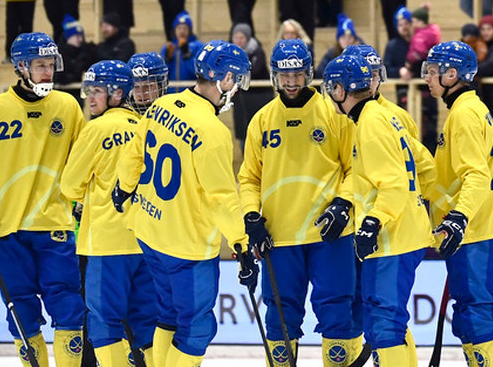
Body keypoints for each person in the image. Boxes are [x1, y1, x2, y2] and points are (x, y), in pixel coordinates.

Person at [112, 40, 255, 367]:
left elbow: (133, 154)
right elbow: (222, 198)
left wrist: (123, 187)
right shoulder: (213, 131)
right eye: (236, 80)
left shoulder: (161, 105)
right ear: (225, 78)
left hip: (149, 233)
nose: (236, 89)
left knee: (168, 316)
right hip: (187, 247)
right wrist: (242, 244)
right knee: (197, 329)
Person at [0, 33, 86, 366]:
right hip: (6, 230)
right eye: (41, 65)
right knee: (21, 315)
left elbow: (86, 162)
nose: (48, 72)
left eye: (51, 65)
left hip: (55, 226)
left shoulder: (68, 106)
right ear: (21, 67)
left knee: (69, 309)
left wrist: (85, 200)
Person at [239, 39, 364, 364]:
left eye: (297, 74)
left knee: (338, 310)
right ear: (275, 75)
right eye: (285, 75)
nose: (291, 81)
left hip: (330, 235)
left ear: (308, 73)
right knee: (280, 316)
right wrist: (251, 217)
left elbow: (357, 168)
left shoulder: (334, 113)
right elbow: (249, 178)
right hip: (280, 236)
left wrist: (344, 204)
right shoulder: (262, 120)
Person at [323, 53, 433, 367]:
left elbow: (394, 184)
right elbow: (425, 165)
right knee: (388, 320)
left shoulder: (371, 123)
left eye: (331, 88)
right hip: (401, 234)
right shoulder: (384, 116)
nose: (330, 96)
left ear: (341, 90)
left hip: (392, 239)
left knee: (384, 323)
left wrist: (372, 223)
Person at [422, 41, 493, 367]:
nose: (427, 78)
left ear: (452, 74)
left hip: (479, 229)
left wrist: (458, 218)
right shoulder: (468, 109)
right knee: (469, 313)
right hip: (478, 229)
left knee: (477, 313)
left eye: (432, 71)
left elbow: (476, 175)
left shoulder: (464, 114)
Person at [59, 61, 155, 366]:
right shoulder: (145, 126)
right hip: (146, 242)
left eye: (97, 91)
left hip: (106, 243)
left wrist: (87, 196)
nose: (89, 97)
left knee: (104, 321)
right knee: (146, 323)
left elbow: (69, 185)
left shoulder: (96, 129)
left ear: (117, 93)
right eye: (88, 90)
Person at [402, 5, 441, 154]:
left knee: (423, 125)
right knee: (430, 122)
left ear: (420, 22)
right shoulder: (432, 33)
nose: (413, 25)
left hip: (421, 80)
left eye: (414, 21)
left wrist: (408, 64)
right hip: (427, 84)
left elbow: (417, 52)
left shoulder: (421, 35)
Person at [230, 23, 272, 149]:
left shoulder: (257, 52)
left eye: (241, 38)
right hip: (241, 101)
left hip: (258, 98)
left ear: (247, 38)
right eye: (236, 37)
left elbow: (255, 71)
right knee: (244, 136)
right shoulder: (230, 55)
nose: (238, 41)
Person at [161, 10, 203, 89]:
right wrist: (167, 59)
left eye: (185, 28)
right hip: (171, 91)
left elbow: (199, 72)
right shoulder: (168, 47)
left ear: (190, 31)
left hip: (190, 90)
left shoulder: (198, 46)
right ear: (174, 30)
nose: (182, 31)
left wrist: (186, 54)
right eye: (179, 28)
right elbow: (162, 75)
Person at [384, 6, 415, 106]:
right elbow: (385, 69)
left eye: (406, 23)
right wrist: (399, 71)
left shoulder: (420, 42)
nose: (404, 27)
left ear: (411, 24)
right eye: (400, 24)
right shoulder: (392, 45)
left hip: (424, 90)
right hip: (402, 92)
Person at [56, 15, 97, 87]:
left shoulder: (85, 52)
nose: (80, 39)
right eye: (77, 37)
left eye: (81, 36)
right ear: (68, 37)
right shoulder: (58, 54)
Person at [127, 52, 168, 116]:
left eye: (148, 86)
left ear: (161, 86)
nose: (141, 93)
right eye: (136, 86)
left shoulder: (175, 114)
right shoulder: (121, 117)